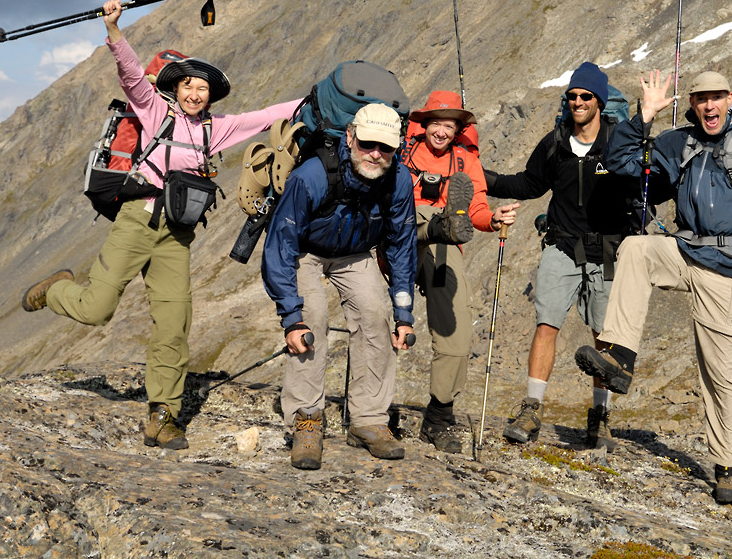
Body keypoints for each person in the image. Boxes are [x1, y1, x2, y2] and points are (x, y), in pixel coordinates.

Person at [21, 0, 299, 451]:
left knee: (174, 324)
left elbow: (271, 115)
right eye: (188, 85)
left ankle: (163, 416)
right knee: (96, 309)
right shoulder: (155, 112)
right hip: (137, 221)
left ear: (211, 95)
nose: (195, 94)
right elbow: (131, 76)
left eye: (202, 89)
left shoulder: (220, 129)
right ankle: (55, 289)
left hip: (177, 236)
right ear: (176, 88)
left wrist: (320, 97)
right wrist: (114, 31)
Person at [576, 69, 732, 504]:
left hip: (730, 270)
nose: (709, 106)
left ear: (730, 100)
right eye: (701, 99)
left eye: (717, 98)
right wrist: (644, 118)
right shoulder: (677, 142)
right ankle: (618, 356)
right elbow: (619, 165)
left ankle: (728, 467)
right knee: (636, 249)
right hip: (686, 252)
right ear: (691, 103)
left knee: (721, 376)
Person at [484, 62, 645, 450]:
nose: (577, 102)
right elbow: (528, 183)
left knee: (604, 338)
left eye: (585, 97)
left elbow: (641, 181)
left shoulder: (617, 142)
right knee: (546, 323)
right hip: (561, 245)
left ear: (599, 102)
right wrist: (480, 176)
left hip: (607, 249)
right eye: (572, 96)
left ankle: (600, 417)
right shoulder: (555, 142)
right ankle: (531, 408)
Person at [261, 101, 417, 470]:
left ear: (397, 148)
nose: (375, 154)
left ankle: (368, 419)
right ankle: (306, 419)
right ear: (349, 138)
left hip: (355, 252)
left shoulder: (399, 181)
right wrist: (290, 317)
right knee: (311, 317)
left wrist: (404, 312)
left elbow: (400, 245)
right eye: (367, 144)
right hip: (305, 251)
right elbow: (280, 245)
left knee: (375, 314)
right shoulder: (310, 177)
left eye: (386, 148)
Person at [402, 90, 520, 453]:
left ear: (458, 131)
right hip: (397, 236)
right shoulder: (402, 153)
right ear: (423, 125)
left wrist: (492, 219)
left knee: (456, 326)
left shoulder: (465, 161)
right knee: (376, 318)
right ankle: (370, 411)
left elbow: (478, 208)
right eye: (435, 123)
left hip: (442, 246)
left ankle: (439, 417)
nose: (441, 131)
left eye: (449, 126)